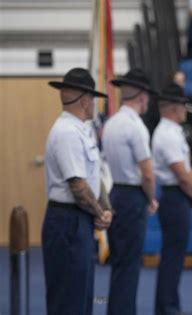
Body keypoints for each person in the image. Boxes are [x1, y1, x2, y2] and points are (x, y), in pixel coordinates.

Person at [43, 68, 113, 314]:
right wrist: (100, 212)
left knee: (82, 294)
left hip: (79, 218)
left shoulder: (82, 130)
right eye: (92, 99)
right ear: (84, 100)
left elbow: (94, 177)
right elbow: (78, 186)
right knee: (68, 298)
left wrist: (105, 208)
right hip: (67, 220)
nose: (93, 104)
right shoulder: (67, 132)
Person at [102, 68, 159, 315]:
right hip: (132, 197)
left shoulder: (111, 123)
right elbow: (147, 172)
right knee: (129, 264)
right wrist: (151, 198)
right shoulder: (136, 127)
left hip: (115, 192)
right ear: (142, 95)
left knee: (120, 263)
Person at [152, 84, 192, 315]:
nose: (186, 109)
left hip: (174, 195)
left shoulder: (170, 130)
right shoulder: (168, 133)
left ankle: (169, 305)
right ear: (174, 108)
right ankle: (167, 308)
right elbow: (180, 173)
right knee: (173, 256)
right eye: (183, 105)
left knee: (173, 255)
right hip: (175, 196)